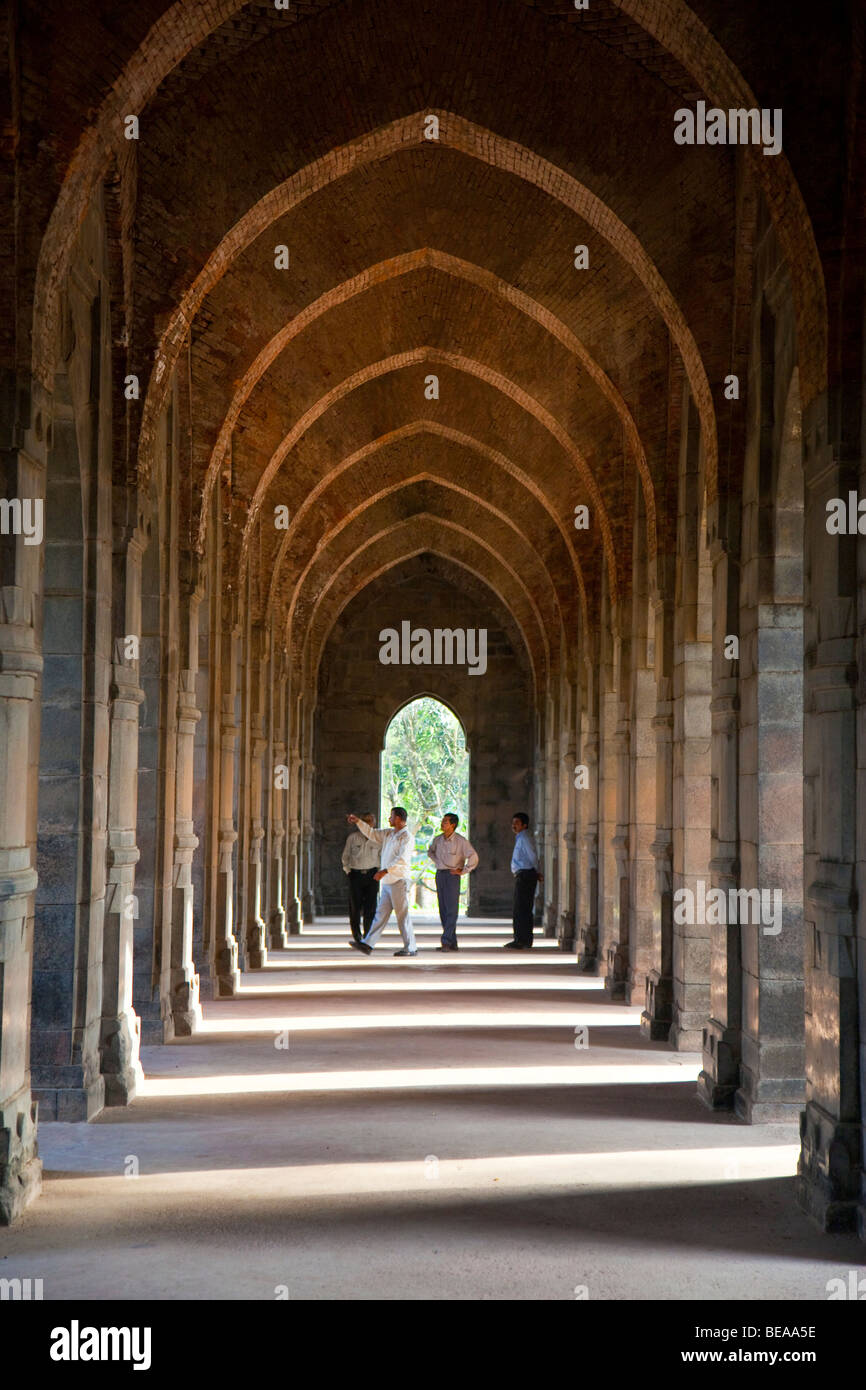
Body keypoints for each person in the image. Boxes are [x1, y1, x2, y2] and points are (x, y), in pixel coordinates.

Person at [345, 807, 417, 956]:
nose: (389, 819)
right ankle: (367, 944)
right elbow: (371, 833)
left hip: (398, 881)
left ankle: (410, 947)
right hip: (387, 882)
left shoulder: (407, 837)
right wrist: (358, 821)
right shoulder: (389, 834)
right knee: (380, 915)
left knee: (402, 915)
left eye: (391, 817)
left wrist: (384, 871)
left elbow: (402, 859)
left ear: (398, 819)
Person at [427, 813, 478, 950]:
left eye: (445, 822)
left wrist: (464, 870)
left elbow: (473, 856)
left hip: (452, 876)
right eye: (442, 821)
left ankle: (446, 940)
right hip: (440, 874)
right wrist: (437, 861)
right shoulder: (438, 840)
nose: (442, 824)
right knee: (443, 909)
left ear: (453, 825)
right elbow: (430, 851)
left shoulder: (461, 841)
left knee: (451, 909)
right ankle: (452, 942)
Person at [505, 812, 542, 949]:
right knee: (520, 908)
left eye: (517, 823)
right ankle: (520, 938)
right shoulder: (520, 837)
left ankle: (523, 940)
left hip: (526, 875)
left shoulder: (524, 837)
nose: (514, 826)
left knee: (523, 908)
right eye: (513, 823)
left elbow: (532, 855)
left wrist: (537, 871)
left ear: (524, 825)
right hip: (523, 874)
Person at [341, 812, 380, 941]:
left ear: (374, 823)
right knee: (355, 907)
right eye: (366, 821)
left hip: (372, 875)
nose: (368, 824)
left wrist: (379, 872)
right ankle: (357, 935)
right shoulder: (353, 838)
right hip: (356, 875)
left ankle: (368, 934)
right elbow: (345, 856)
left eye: (371, 821)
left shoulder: (377, 838)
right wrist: (348, 871)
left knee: (371, 906)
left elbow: (382, 856)